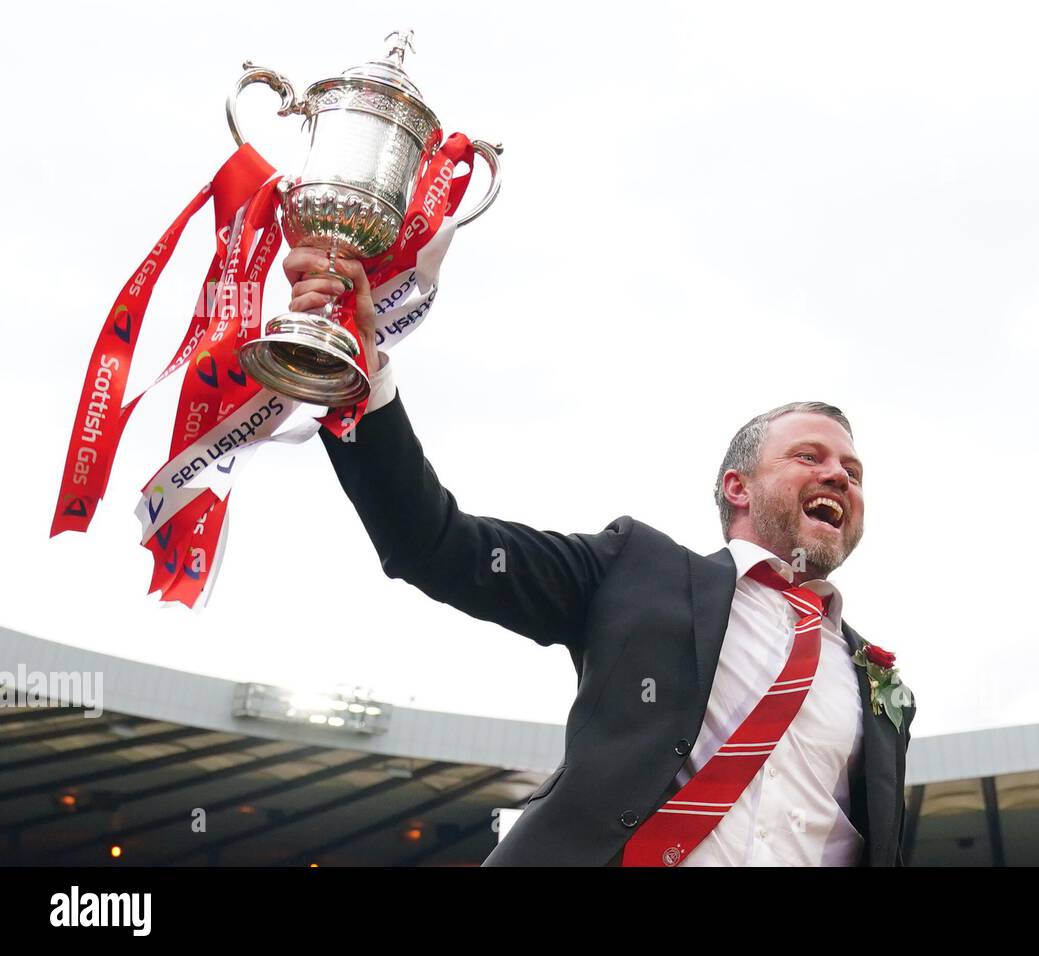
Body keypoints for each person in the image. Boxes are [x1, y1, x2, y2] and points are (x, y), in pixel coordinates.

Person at [285, 248, 917, 866]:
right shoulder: (638, 569)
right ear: (738, 487)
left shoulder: (875, 680)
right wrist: (357, 373)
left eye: (853, 471)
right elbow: (438, 545)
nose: (838, 475)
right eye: (809, 457)